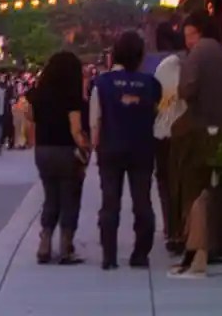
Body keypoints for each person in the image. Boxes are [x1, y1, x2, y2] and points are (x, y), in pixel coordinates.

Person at [171, 11, 222, 278]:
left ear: (199, 32)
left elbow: (187, 89)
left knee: (194, 192)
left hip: (200, 130)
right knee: (216, 189)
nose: (187, 41)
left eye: (190, 34)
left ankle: (196, 251)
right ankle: (215, 245)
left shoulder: (197, 55)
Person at [91, 32, 161, 270]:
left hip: (110, 147)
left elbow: (96, 119)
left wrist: (95, 145)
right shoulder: (150, 83)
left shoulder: (102, 83)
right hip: (142, 148)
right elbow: (157, 112)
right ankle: (140, 253)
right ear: (141, 55)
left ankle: (109, 256)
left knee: (110, 202)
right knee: (143, 202)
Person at [25, 51, 89, 265]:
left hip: (43, 150)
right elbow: (75, 128)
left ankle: (44, 243)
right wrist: (84, 148)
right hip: (66, 150)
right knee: (70, 198)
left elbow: (29, 116)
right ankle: (65, 246)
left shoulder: (38, 95)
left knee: (50, 196)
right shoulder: (72, 96)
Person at [150, 24, 187, 253]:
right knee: (183, 181)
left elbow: (154, 103)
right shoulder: (187, 63)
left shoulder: (159, 66)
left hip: (162, 132)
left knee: (165, 182)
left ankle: (171, 229)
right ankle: (184, 228)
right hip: (184, 131)